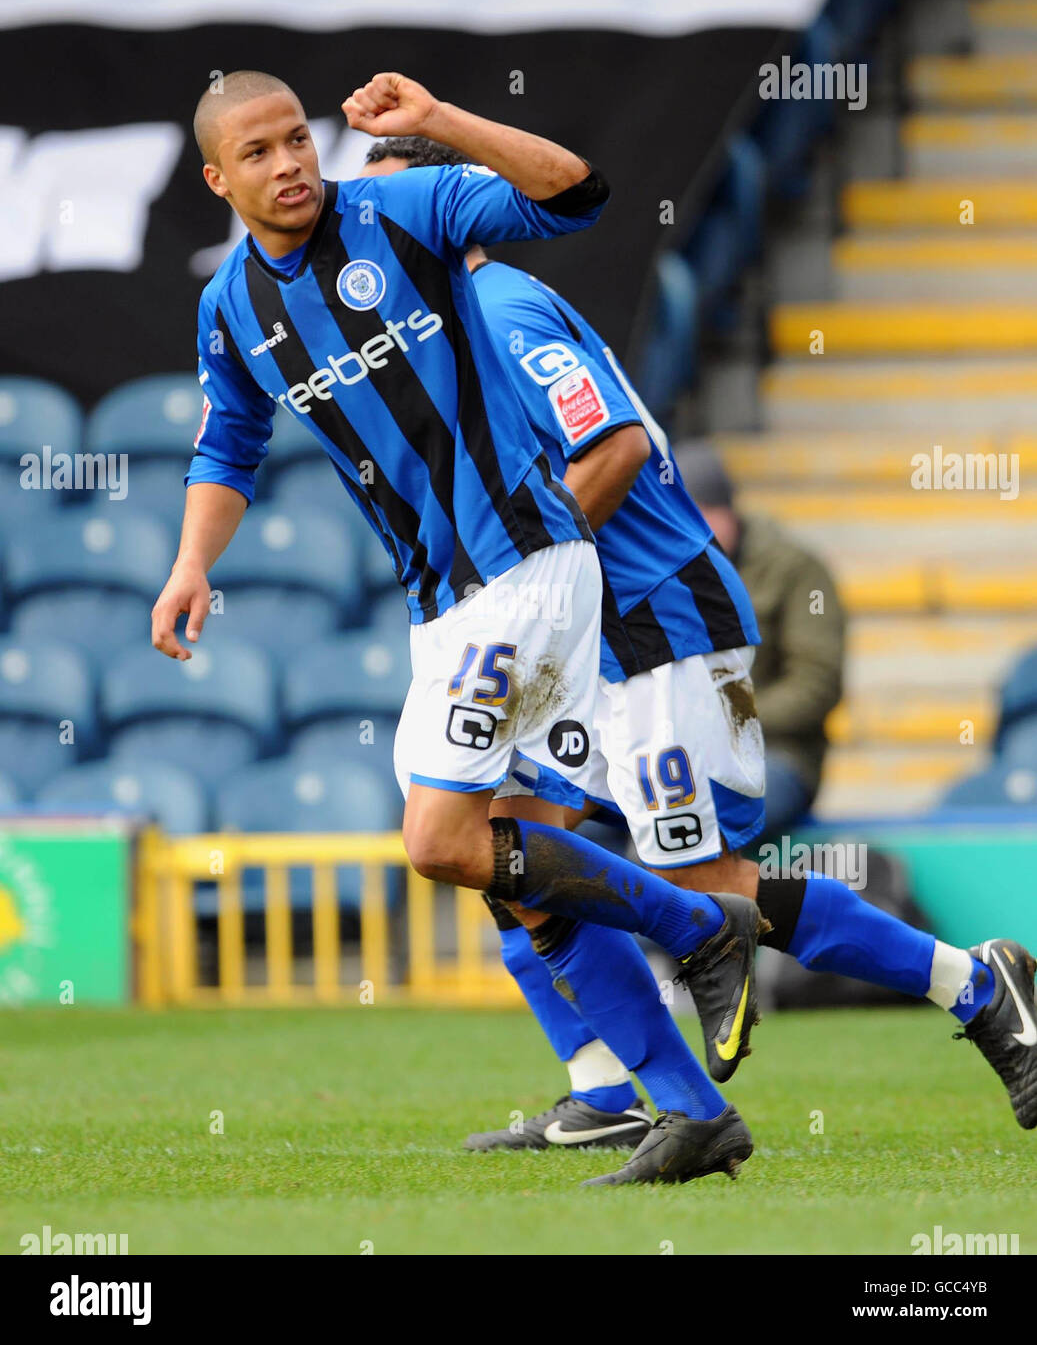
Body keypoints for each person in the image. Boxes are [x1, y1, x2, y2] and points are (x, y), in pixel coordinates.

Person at [150, 69, 768, 1188]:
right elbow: (227, 446)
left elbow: (575, 192)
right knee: (517, 866)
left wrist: (434, 124)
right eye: (258, 152)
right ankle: (683, 1109)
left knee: (438, 840)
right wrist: (193, 564)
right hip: (442, 602)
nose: (288, 162)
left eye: (298, 138)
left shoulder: (398, 208)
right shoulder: (230, 304)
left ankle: (692, 923)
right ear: (216, 177)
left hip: (527, 567)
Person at [359, 136, 1037, 1151]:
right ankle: (603, 1087)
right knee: (497, 839)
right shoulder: (440, 339)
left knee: (701, 888)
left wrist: (516, 582)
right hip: (569, 636)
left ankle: (978, 984)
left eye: (380, 216)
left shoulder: (501, 312)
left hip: (648, 620)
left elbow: (614, 448)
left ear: (441, 217)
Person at [675, 440, 844, 835]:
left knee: (694, 823)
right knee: (586, 827)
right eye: (683, 519)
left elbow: (817, 684)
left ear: (730, 512)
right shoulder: (661, 572)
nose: (695, 532)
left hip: (775, 755)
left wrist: (724, 725)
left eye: (706, 515)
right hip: (674, 755)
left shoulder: (794, 571)